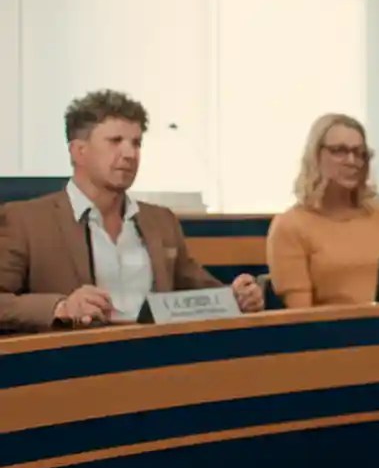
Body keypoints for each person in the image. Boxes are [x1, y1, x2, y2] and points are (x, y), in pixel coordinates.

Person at [0, 90, 264, 332]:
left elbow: (197, 292)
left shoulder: (161, 221)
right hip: (71, 370)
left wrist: (235, 297)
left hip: (158, 363)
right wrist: (60, 307)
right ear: (79, 151)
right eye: (115, 141)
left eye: (136, 143)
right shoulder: (24, 221)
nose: (130, 154)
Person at [266, 114, 379, 307]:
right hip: (328, 332)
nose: (352, 161)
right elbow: (300, 316)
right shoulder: (290, 226)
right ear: (316, 155)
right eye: (339, 151)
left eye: (359, 152)